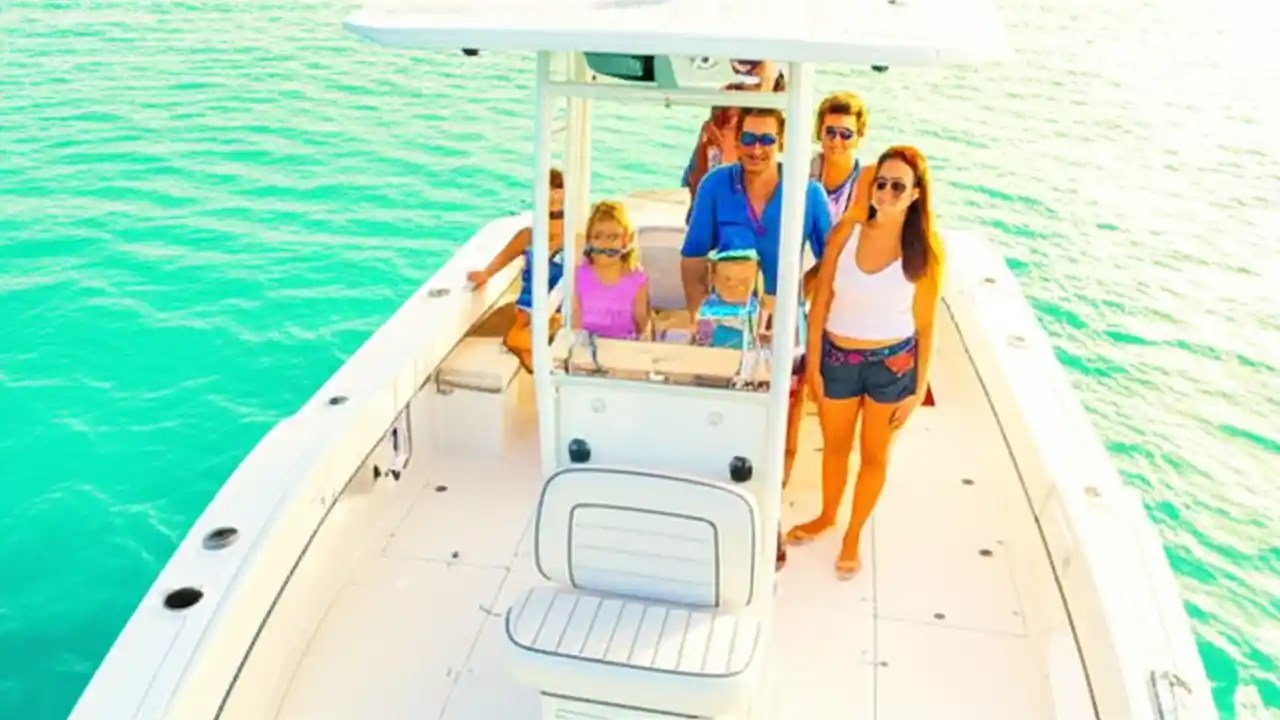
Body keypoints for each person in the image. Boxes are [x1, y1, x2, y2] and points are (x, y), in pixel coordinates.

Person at [679, 106, 833, 569]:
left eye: (767, 140)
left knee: (780, 424)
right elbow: (691, 257)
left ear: (782, 142)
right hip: (724, 328)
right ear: (737, 139)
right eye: (748, 138)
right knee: (723, 416)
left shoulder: (809, 193)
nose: (756, 149)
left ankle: (768, 516)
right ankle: (719, 506)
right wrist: (697, 317)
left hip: (785, 329)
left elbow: (829, 259)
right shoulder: (714, 186)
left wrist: (789, 296)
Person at [785, 146, 945, 580]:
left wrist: (917, 388)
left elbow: (927, 327)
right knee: (835, 448)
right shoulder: (845, 235)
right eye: (881, 183)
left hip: (892, 367)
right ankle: (827, 515)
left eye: (899, 186)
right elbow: (819, 308)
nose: (888, 192)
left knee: (874, 456)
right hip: (838, 358)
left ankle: (853, 534)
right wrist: (815, 366)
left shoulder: (925, 251)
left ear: (915, 195)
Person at [467, 168, 567, 372]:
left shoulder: (573, 237)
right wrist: (484, 274)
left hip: (556, 304)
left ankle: (550, 378)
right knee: (516, 341)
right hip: (528, 304)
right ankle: (550, 378)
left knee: (517, 341)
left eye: (555, 189)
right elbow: (502, 259)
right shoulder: (528, 235)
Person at [572, 200, 651, 340]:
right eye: (598, 236)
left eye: (613, 237)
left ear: (626, 240)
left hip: (624, 346)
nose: (605, 244)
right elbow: (575, 324)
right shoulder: (579, 275)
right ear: (589, 240)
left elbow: (643, 323)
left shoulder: (636, 278)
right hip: (586, 347)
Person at [809, 91, 875, 222]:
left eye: (845, 134)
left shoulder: (868, 183)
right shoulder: (801, 172)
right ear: (819, 132)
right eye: (830, 132)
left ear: (858, 137)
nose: (836, 140)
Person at [692, 248, 762, 349]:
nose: (736, 286)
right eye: (728, 280)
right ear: (713, 278)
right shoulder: (705, 310)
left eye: (743, 280)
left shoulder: (758, 310)